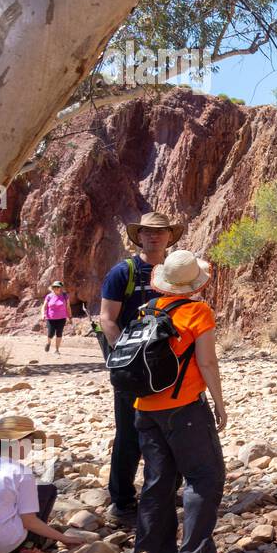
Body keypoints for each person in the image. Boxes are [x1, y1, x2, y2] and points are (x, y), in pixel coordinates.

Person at [133, 250, 233, 553]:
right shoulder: (197, 312)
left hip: (145, 408)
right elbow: (207, 361)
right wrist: (219, 403)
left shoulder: (146, 309)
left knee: (157, 481)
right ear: (194, 283)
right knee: (205, 476)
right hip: (184, 408)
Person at [98, 211, 180, 526]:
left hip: (166, 364)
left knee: (170, 429)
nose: (154, 237)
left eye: (160, 232)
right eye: (148, 232)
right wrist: (126, 354)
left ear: (169, 237)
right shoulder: (123, 273)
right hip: (132, 368)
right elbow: (107, 317)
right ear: (139, 236)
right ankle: (121, 502)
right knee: (129, 434)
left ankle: (166, 492)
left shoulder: (176, 272)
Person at [0, 417, 93, 553]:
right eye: (30, 442)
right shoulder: (21, 472)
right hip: (0, 549)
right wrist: (64, 538)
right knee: (47, 490)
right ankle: (28, 548)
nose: (31, 447)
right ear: (19, 442)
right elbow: (29, 521)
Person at [42, 280, 70, 353]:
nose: (56, 288)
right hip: (50, 318)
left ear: (61, 288)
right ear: (52, 288)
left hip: (62, 318)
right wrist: (43, 314)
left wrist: (70, 316)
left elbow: (68, 307)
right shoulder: (49, 296)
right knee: (50, 333)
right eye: (54, 287)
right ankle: (48, 343)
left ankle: (57, 350)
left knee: (59, 333)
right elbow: (44, 306)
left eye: (58, 287)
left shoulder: (65, 296)